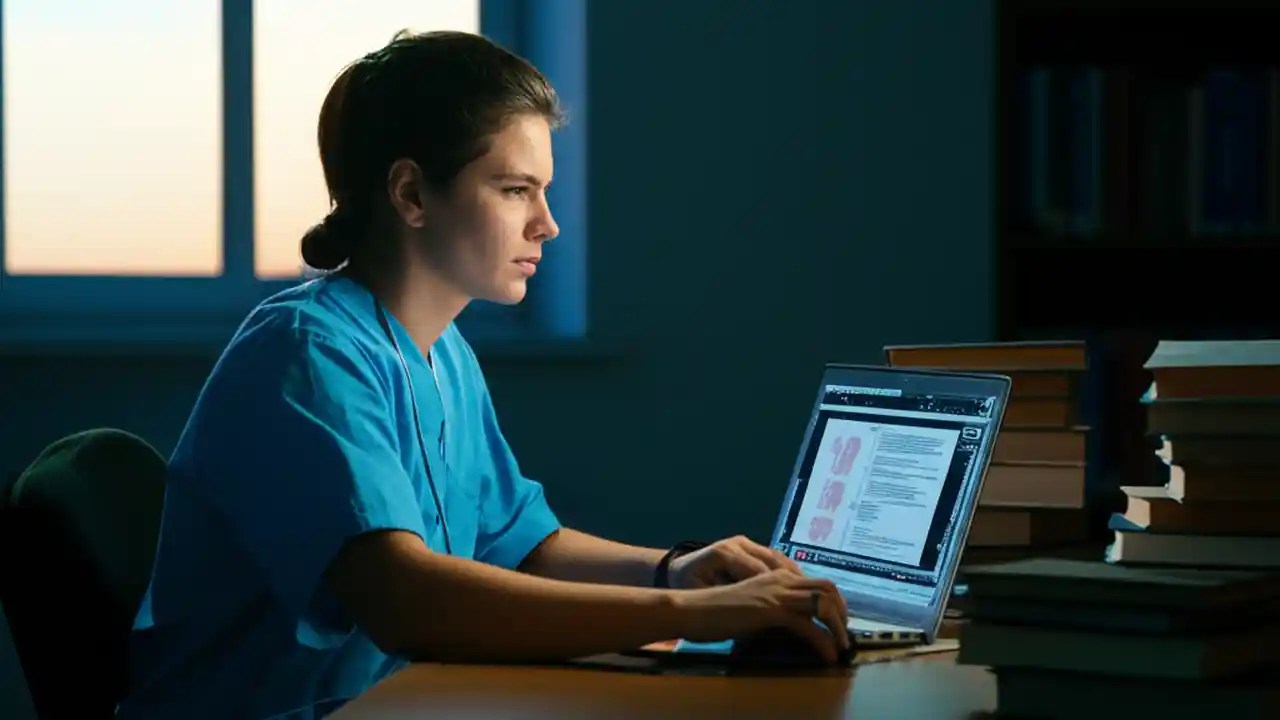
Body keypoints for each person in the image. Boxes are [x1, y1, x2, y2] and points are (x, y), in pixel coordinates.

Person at [115, 30, 849, 719]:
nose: (546, 224)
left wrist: (675, 570)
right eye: (514, 189)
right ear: (410, 194)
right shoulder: (307, 353)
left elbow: (519, 542)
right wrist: (693, 615)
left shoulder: (443, 351)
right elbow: (406, 600)